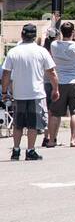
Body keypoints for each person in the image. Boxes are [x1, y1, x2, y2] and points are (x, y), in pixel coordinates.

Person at [2, 23, 59, 161]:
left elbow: (6, 74)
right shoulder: (41, 51)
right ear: (35, 36)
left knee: (18, 123)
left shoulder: (13, 52)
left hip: (19, 93)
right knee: (33, 124)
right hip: (36, 93)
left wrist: (4, 91)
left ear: (22, 34)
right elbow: (51, 72)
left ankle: (16, 150)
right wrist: (56, 88)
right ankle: (30, 150)